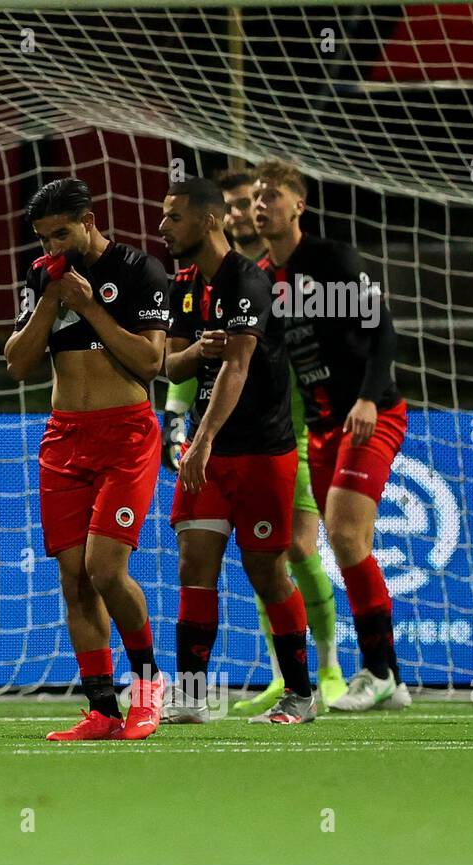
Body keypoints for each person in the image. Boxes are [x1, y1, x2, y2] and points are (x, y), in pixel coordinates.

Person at [3, 177, 168, 741]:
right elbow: (18, 363)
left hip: (126, 438)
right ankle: (103, 709)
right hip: (65, 439)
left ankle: (148, 688)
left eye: (62, 234)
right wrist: (51, 299)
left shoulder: (139, 269)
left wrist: (89, 307)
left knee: (105, 569)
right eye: (45, 238)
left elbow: (149, 362)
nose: (53, 248)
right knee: (74, 581)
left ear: (90, 220)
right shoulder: (42, 277)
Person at [252, 160, 410, 711]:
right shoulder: (264, 279)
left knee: (344, 536)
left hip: (371, 413)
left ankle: (377, 670)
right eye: (254, 197)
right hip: (318, 429)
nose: (259, 204)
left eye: (271, 194)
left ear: (299, 204)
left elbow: (383, 328)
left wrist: (369, 395)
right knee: (347, 548)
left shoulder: (331, 260)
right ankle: (390, 676)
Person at [159, 176, 316, 725]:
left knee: (265, 572)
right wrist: (194, 349)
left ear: (208, 221)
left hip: (258, 451)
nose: (163, 226)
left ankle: (300, 693)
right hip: (208, 451)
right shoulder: (182, 285)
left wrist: (200, 440)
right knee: (192, 565)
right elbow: (170, 363)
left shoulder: (247, 282)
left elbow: (238, 365)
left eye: (173, 217)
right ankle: (192, 696)